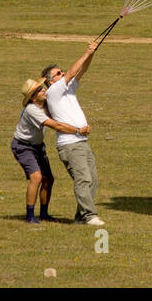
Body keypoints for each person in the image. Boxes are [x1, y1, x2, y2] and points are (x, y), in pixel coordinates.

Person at [42, 37, 105, 226]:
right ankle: (89, 215)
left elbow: (81, 71)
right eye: (58, 73)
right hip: (70, 144)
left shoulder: (67, 89)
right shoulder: (53, 92)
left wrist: (91, 54)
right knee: (82, 178)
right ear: (50, 81)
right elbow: (71, 73)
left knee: (91, 179)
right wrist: (86, 52)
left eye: (61, 72)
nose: (62, 74)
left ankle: (80, 217)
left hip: (81, 141)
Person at [12, 78, 90, 224]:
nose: (43, 90)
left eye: (42, 87)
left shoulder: (45, 104)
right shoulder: (32, 110)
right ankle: (30, 215)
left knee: (48, 179)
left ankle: (44, 214)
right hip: (23, 146)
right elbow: (55, 125)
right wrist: (78, 130)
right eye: (39, 90)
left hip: (38, 146)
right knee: (36, 177)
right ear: (33, 98)